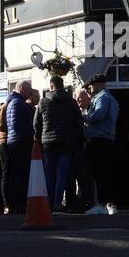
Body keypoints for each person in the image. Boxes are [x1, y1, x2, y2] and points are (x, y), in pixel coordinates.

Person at [34, 76, 83, 212]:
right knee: (63, 174)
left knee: (49, 174)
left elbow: (36, 123)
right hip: (66, 142)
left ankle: (48, 203)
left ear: (51, 86)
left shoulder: (43, 102)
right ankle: (57, 202)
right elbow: (78, 123)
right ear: (62, 86)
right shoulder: (71, 102)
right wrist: (79, 140)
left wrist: (38, 139)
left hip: (47, 143)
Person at [81, 74, 119, 215]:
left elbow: (98, 115)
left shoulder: (102, 97)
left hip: (99, 140)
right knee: (107, 173)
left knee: (100, 173)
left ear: (97, 84)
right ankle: (110, 204)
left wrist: (83, 117)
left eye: (90, 86)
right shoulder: (111, 98)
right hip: (106, 139)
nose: (89, 89)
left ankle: (102, 204)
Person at [2, 79, 34, 215]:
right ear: (21, 89)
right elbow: (17, 124)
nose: (31, 92)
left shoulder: (15, 102)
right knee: (20, 175)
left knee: (17, 175)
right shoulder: (17, 103)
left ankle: (17, 204)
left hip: (15, 141)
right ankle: (19, 205)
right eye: (29, 89)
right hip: (19, 143)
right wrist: (28, 136)